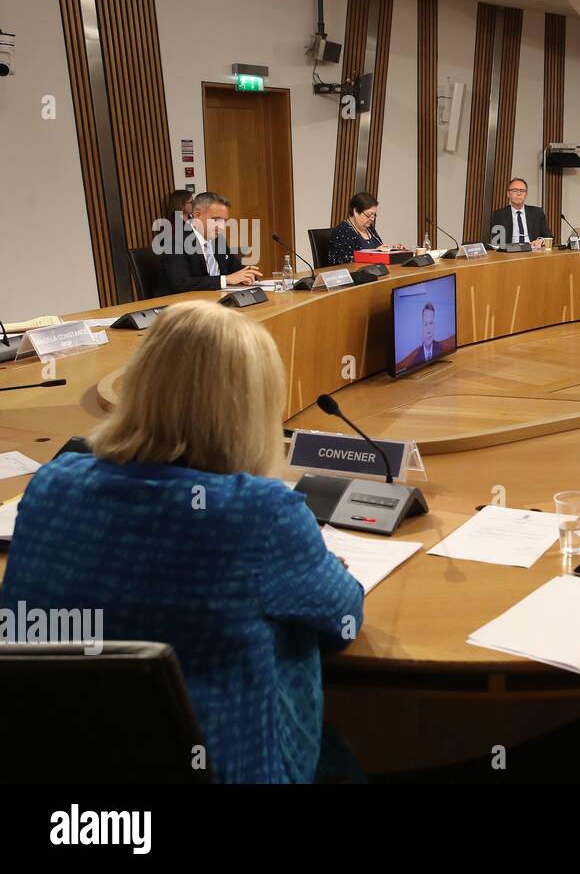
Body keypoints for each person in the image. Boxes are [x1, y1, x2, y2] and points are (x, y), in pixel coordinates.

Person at [0, 301, 364, 783]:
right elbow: (343, 618)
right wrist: (318, 562)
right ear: (252, 409)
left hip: (54, 762)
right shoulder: (261, 512)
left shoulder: (53, 482)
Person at [159, 191, 261, 293]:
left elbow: (234, 269)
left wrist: (247, 274)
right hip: (189, 304)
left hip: (219, 299)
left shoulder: (218, 240)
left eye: (224, 221)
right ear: (198, 215)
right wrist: (226, 279)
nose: (221, 227)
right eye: (216, 220)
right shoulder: (174, 242)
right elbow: (180, 283)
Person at [327, 191, 405, 266]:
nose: (372, 219)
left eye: (374, 215)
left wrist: (393, 252)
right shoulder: (342, 232)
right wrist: (374, 254)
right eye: (368, 215)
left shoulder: (370, 229)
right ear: (355, 212)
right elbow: (340, 262)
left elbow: (379, 251)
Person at [487, 178, 552, 249]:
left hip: (533, 252)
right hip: (510, 253)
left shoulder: (537, 213)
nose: (519, 193)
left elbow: (549, 237)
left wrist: (541, 241)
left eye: (522, 191)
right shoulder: (499, 215)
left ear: (526, 194)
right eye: (514, 190)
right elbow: (497, 243)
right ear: (508, 194)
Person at [395, 302, 454, 371]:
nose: (428, 330)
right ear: (421, 327)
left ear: (434, 326)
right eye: (425, 324)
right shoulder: (415, 359)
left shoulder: (441, 348)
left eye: (431, 323)